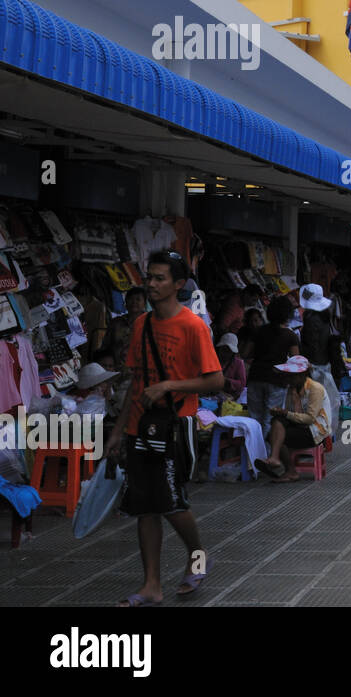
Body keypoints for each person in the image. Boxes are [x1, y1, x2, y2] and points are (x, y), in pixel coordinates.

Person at [105, 250, 224, 607]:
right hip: (139, 427)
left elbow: (215, 381)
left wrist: (171, 386)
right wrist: (118, 431)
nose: (151, 284)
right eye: (149, 277)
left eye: (159, 279)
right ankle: (151, 585)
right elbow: (137, 381)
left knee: (172, 502)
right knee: (144, 507)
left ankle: (198, 555)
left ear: (178, 285)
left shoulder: (192, 326)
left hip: (173, 426)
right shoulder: (141, 324)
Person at [254, 355, 332, 483]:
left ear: (303, 374)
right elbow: (291, 413)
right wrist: (281, 413)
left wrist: (286, 413)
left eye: (292, 375)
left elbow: (310, 419)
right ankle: (275, 458)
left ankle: (289, 470)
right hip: (301, 427)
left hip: (315, 431)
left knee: (279, 434)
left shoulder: (315, 389)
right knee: (275, 424)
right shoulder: (292, 390)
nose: (289, 378)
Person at [244, 295, 300, 440]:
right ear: (287, 314)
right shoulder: (290, 335)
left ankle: (253, 454)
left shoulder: (258, 331)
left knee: (254, 418)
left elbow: (244, 353)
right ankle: (267, 455)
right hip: (277, 380)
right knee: (270, 419)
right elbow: (296, 362)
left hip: (256, 376)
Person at [214, 333, 247, 401]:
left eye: (228, 351)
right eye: (224, 349)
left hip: (229, 397)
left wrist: (226, 381)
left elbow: (242, 384)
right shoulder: (213, 359)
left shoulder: (238, 363)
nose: (225, 353)